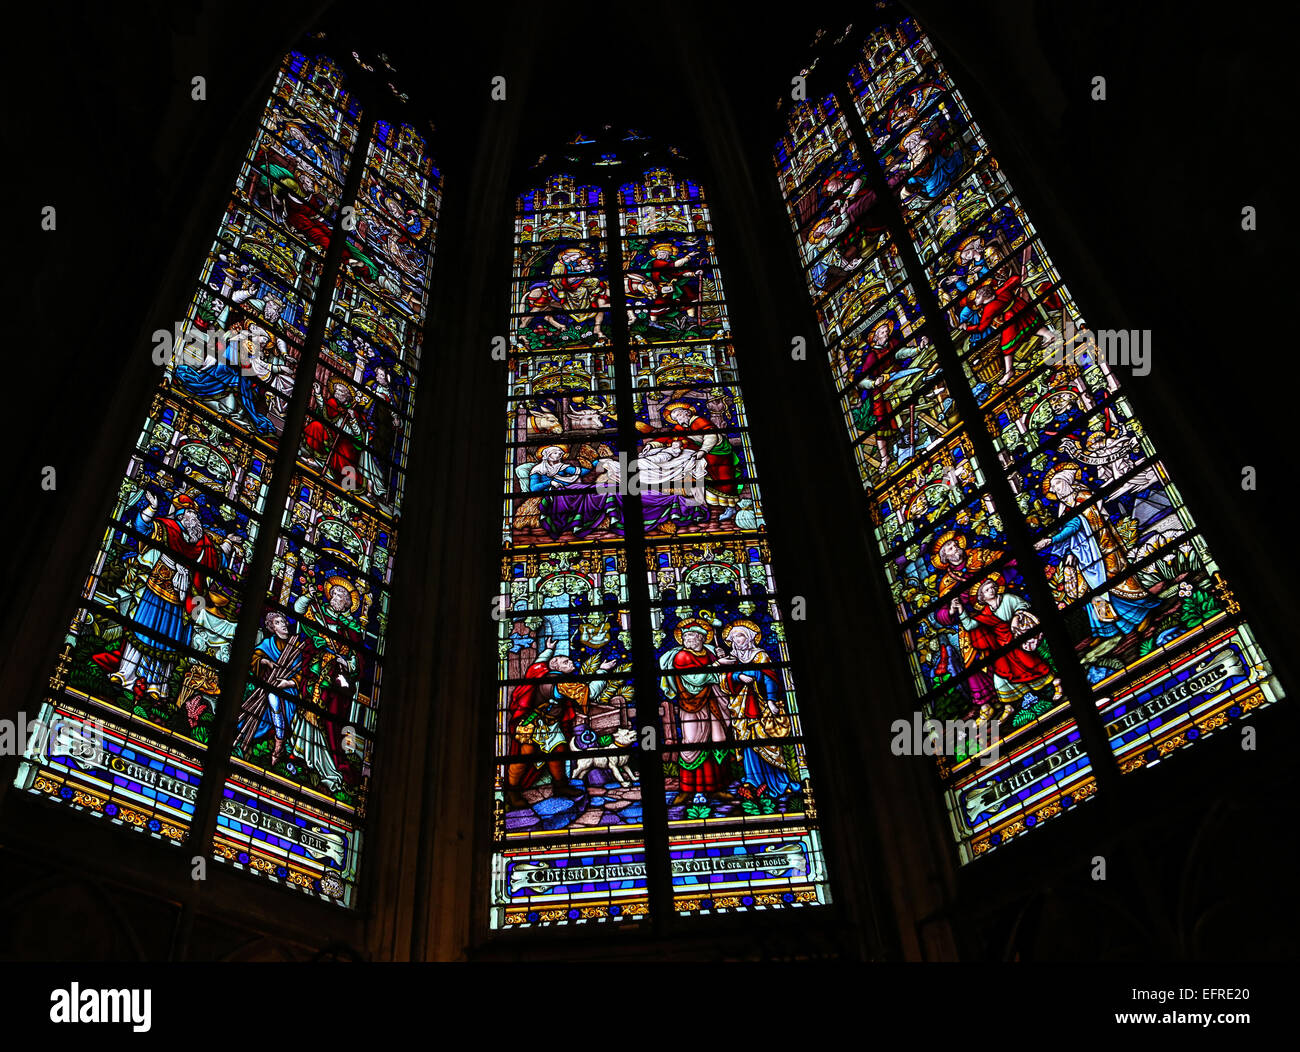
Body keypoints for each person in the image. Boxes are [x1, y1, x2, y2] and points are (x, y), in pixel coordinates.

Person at [505, 638, 617, 808]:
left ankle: (561, 786)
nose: (570, 662)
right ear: (556, 668)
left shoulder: (541, 672)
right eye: (566, 662)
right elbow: (589, 693)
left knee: (559, 750)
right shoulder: (560, 682)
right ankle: (512, 791)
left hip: (551, 724)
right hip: (533, 724)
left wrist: (548, 650)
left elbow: (538, 664)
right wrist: (602, 670)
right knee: (525, 755)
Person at [659, 617, 735, 804]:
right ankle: (687, 790)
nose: (688, 639)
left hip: (712, 704)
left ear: (702, 638)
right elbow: (695, 680)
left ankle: (717, 788)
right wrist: (717, 665)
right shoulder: (682, 656)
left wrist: (719, 656)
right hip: (692, 706)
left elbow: (718, 674)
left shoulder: (708, 652)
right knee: (692, 745)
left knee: (717, 741)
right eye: (686, 637)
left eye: (692, 636)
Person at [717, 621, 795, 796]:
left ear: (750, 637)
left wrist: (771, 701)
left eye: (741, 635)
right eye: (734, 637)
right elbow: (724, 682)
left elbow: (770, 678)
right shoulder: (731, 659)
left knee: (767, 740)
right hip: (741, 708)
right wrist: (737, 675)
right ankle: (752, 780)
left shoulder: (761, 656)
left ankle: (778, 781)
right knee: (747, 743)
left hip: (761, 705)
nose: (737, 640)